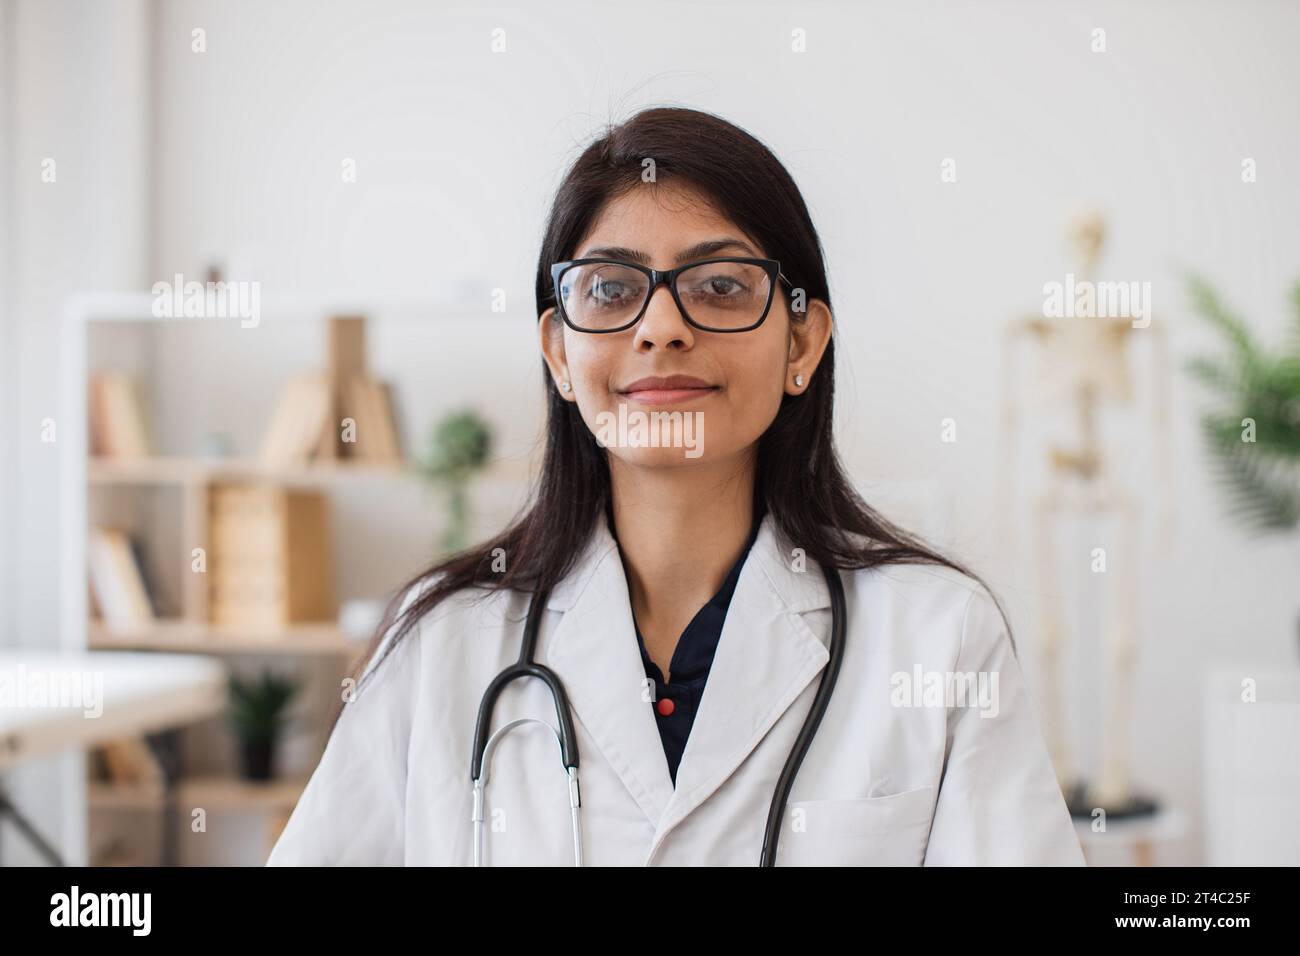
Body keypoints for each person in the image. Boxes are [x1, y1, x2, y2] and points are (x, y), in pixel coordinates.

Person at [266, 106, 1084, 866]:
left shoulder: (938, 636)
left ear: (802, 342)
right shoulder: (442, 641)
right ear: (559, 352)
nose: (662, 326)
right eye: (612, 290)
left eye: (721, 286)